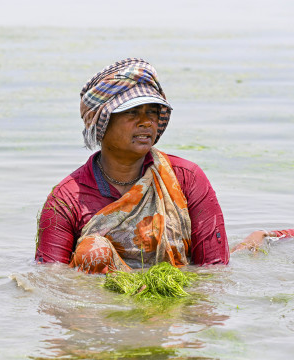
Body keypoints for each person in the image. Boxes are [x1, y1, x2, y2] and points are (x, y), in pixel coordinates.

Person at [35, 58, 229, 274]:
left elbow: (215, 271)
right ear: (102, 123)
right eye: (132, 112)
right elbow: (50, 281)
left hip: (170, 301)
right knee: (93, 251)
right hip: (98, 306)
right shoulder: (66, 200)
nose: (146, 122)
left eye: (153, 112)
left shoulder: (186, 179)